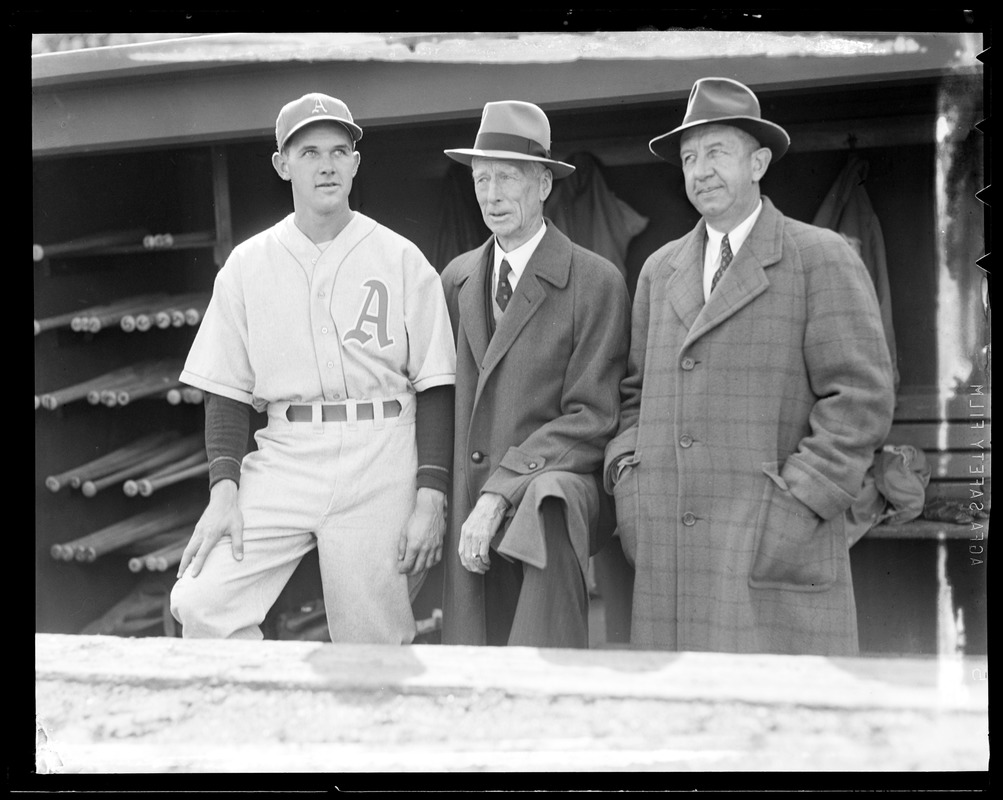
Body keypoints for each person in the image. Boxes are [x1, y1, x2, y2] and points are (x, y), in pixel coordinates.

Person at [603, 77, 896, 656]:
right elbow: (633, 395)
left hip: (774, 543)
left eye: (717, 152)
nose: (700, 170)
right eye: (689, 158)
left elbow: (860, 398)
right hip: (668, 548)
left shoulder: (820, 255)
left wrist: (799, 502)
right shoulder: (660, 271)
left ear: (758, 162)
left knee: (775, 728)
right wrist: (628, 485)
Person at [170, 93, 456, 644]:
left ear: (355, 162)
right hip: (288, 451)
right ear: (282, 164)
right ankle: (275, 720)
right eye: (309, 152)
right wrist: (223, 492)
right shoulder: (248, 264)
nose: (326, 164)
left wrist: (430, 495)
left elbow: (437, 384)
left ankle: (362, 728)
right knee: (202, 601)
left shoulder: (400, 257)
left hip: (383, 449)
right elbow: (225, 390)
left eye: (339, 150)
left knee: (372, 641)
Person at [438, 100, 631, 648]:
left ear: (544, 184)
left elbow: (593, 417)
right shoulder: (456, 279)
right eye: (481, 179)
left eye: (507, 177)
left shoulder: (596, 283)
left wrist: (499, 492)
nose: (492, 195)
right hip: (468, 507)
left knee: (535, 668)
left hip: (541, 500)